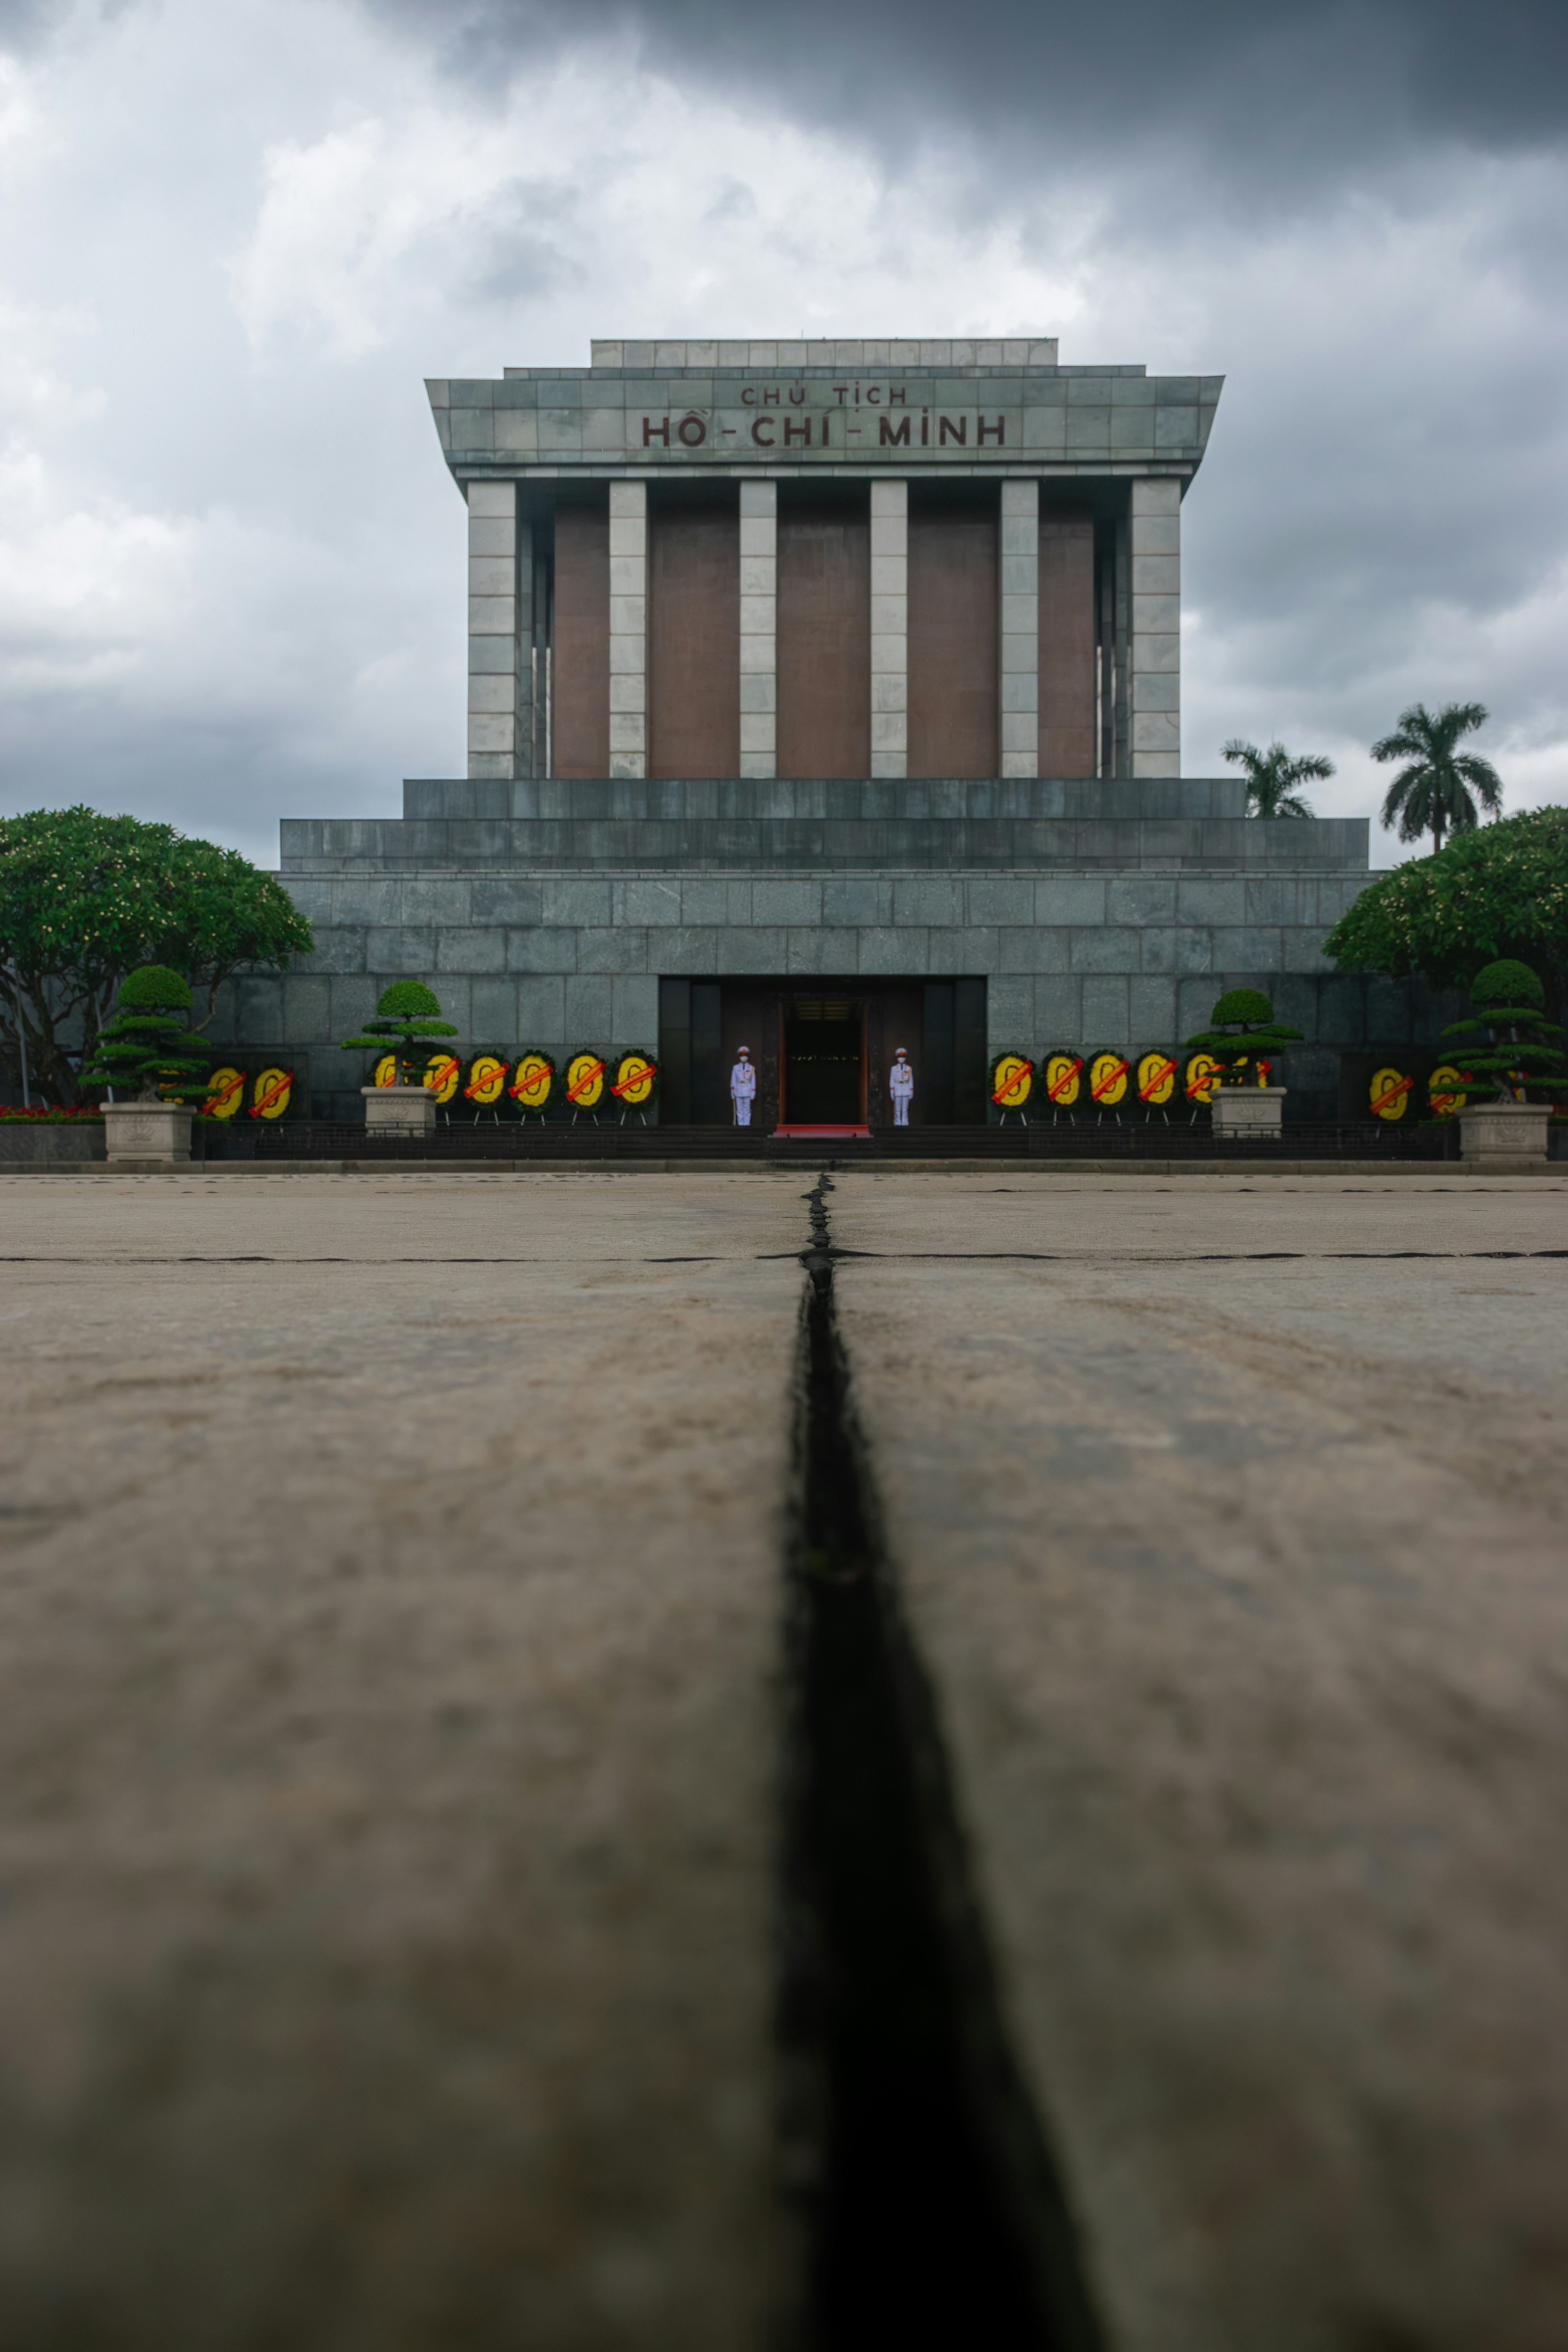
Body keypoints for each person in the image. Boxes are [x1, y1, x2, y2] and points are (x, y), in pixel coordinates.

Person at [731, 1044, 757, 1127]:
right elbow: (733, 1080)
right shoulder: (735, 1068)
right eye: (742, 1055)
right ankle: (740, 1125)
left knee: (747, 1109)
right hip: (738, 1090)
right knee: (739, 1109)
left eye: (745, 1055)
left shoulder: (752, 1068)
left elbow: (753, 1081)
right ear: (740, 1056)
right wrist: (733, 1092)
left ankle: (747, 1124)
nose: (744, 1057)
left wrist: (753, 1093)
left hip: (748, 1090)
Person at [889, 1045, 914, 1126]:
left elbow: (911, 1080)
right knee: (897, 1109)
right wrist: (892, 1092)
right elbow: (892, 1080)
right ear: (897, 1058)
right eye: (900, 1057)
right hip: (897, 1089)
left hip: (906, 1089)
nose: (902, 1059)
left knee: (905, 1109)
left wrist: (911, 1091)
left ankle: (905, 1122)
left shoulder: (909, 1068)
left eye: (903, 1057)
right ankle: (897, 1122)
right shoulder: (894, 1069)